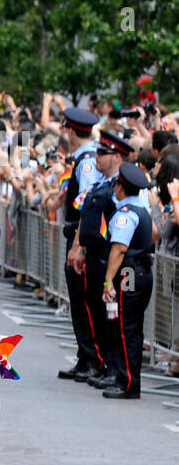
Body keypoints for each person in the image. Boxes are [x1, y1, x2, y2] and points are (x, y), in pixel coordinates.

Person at [69, 129, 129, 387]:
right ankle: (96, 361)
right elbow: (86, 215)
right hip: (92, 254)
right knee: (93, 310)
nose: (97, 157)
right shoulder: (102, 184)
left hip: (107, 258)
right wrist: (80, 247)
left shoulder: (123, 188)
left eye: (103, 153)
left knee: (107, 316)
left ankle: (105, 364)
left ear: (116, 157)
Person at [57, 106, 106, 382]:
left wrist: (79, 245)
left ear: (71, 130)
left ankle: (93, 358)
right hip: (78, 234)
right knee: (78, 301)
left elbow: (87, 204)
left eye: (66, 128)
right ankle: (85, 356)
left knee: (85, 301)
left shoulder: (86, 162)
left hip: (81, 236)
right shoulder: (84, 158)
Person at [100, 160, 156, 399]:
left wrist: (107, 281)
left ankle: (127, 383)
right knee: (132, 329)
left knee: (125, 328)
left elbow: (119, 249)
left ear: (121, 187)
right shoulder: (142, 210)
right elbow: (155, 234)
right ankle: (129, 380)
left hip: (129, 273)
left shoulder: (126, 214)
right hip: (141, 271)